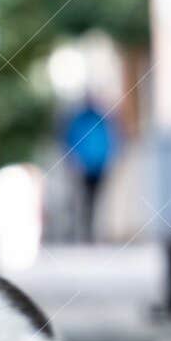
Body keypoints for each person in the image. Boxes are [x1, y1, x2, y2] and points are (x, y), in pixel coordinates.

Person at [61, 98, 118, 241]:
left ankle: (90, 230)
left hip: (97, 166)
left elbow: (110, 141)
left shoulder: (100, 120)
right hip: (85, 167)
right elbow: (71, 141)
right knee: (85, 199)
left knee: (93, 199)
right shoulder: (82, 120)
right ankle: (83, 230)